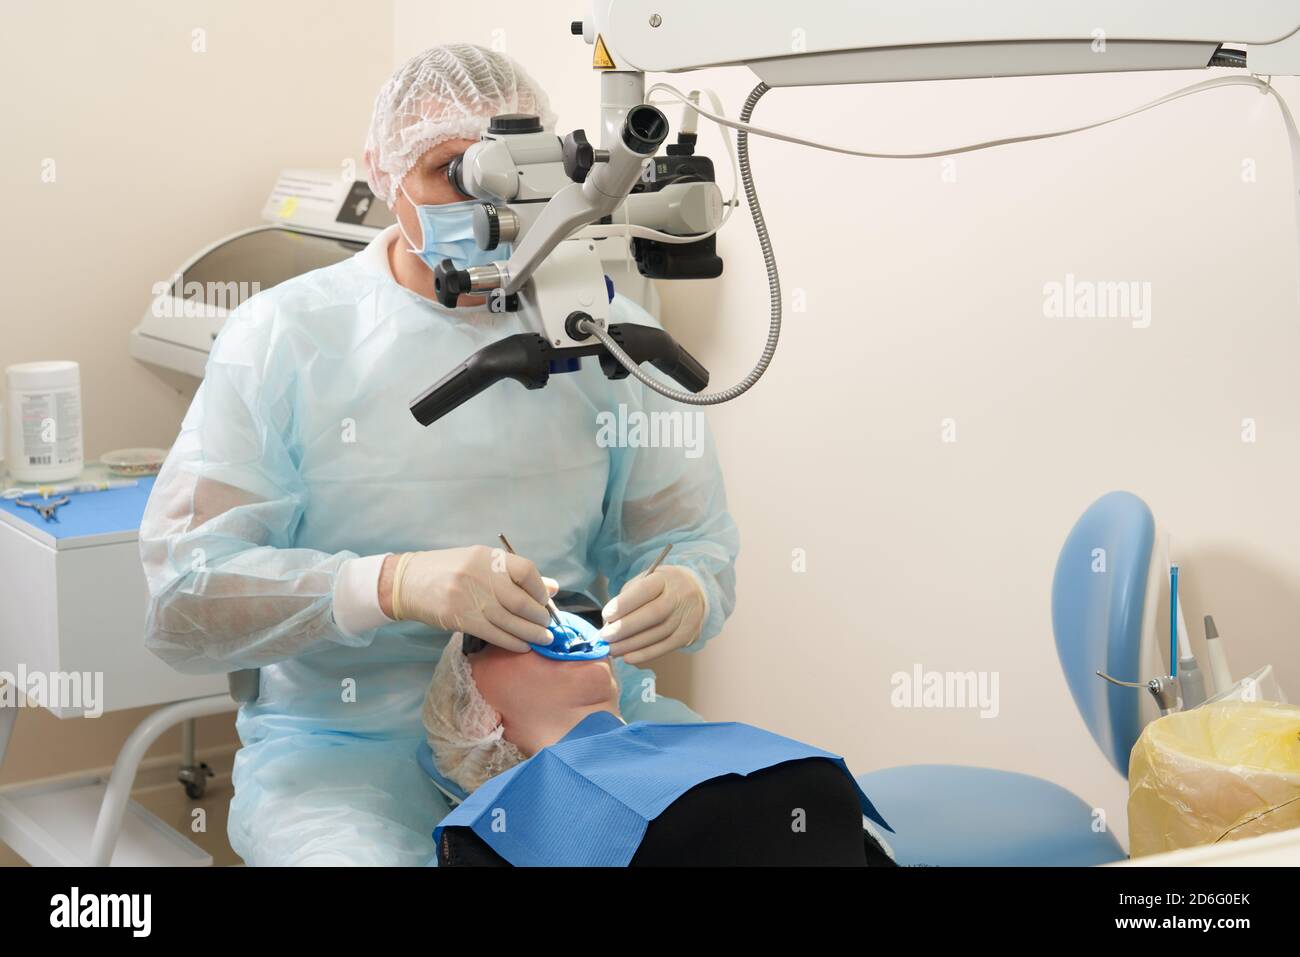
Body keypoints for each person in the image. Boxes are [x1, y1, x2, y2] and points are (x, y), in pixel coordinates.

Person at [138, 43, 739, 866]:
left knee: (763, 824)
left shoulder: (597, 324)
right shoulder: (285, 335)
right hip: (346, 749)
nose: (479, 196)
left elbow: (686, 535)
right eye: (447, 171)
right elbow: (185, 593)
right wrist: (385, 583)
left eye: (504, 170)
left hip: (577, 733)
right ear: (382, 173)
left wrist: (688, 587)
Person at [423, 613, 895, 866]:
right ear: (479, 723)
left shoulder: (721, 744)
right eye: (499, 630)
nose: (555, 618)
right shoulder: (493, 830)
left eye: (574, 612)